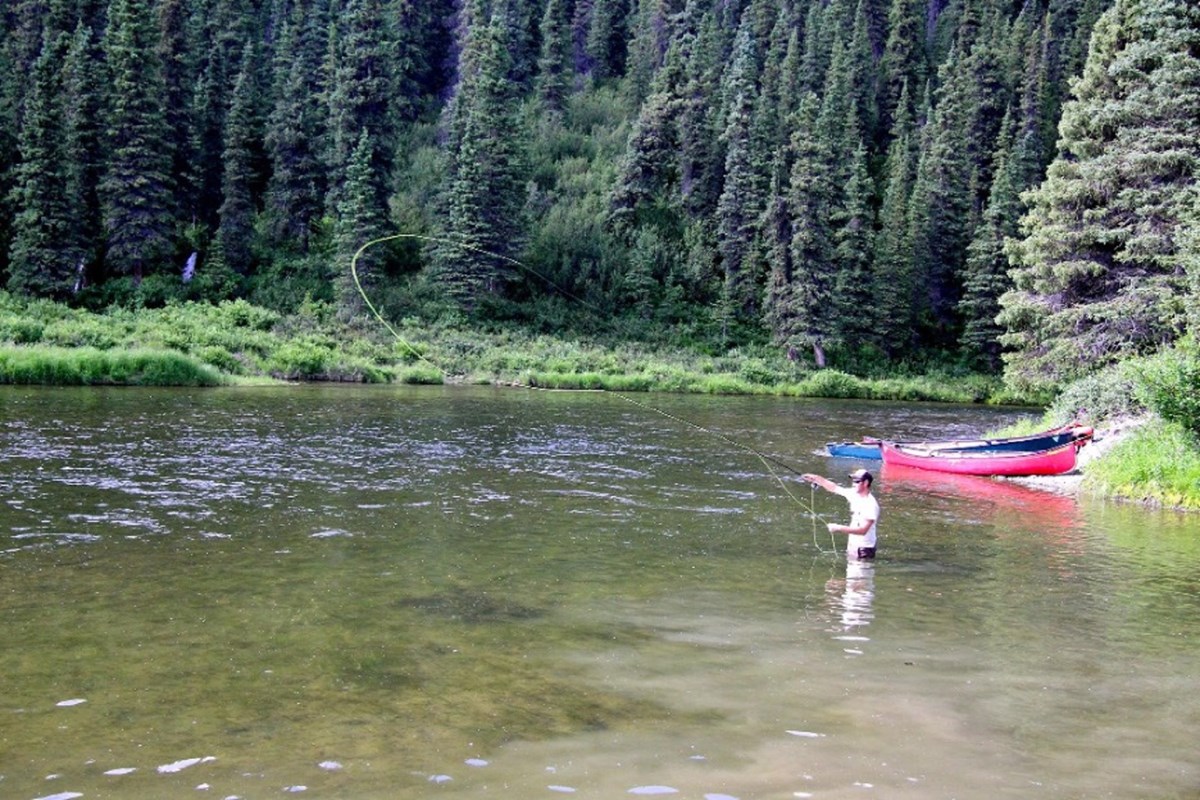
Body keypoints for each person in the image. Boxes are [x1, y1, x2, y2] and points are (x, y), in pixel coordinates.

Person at [800, 468, 879, 560]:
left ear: (866, 483)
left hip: (864, 550)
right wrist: (816, 478)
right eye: (853, 481)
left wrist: (838, 527)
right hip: (853, 546)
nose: (853, 484)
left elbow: (863, 531)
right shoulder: (854, 494)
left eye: (857, 481)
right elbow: (833, 487)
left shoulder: (871, 505)